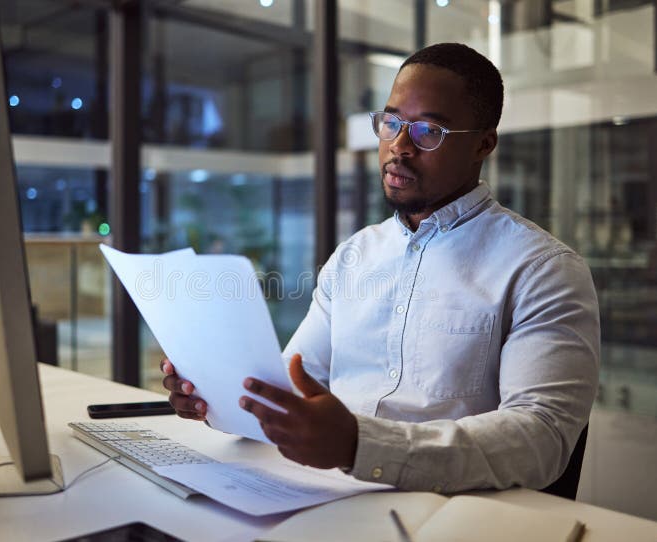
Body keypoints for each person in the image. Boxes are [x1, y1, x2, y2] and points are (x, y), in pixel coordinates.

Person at [160, 42, 600, 493]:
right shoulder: (354, 256)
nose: (399, 146)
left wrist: (360, 446)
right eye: (391, 122)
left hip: (454, 512)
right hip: (327, 493)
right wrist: (214, 394)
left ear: (483, 144)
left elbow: (542, 440)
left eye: (429, 130)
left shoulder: (543, 269)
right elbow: (293, 387)